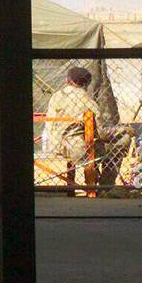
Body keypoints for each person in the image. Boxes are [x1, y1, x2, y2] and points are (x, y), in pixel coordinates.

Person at [45, 66, 102, 195]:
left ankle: (71, 187)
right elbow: (99, 130)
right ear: (86, 83)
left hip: (54, 144)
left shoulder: (56, 96)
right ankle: (103, 186)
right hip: (79, 148)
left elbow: (50, 122)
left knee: (80, 139)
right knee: (114, 142)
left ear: (67, 80)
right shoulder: (88, 100)